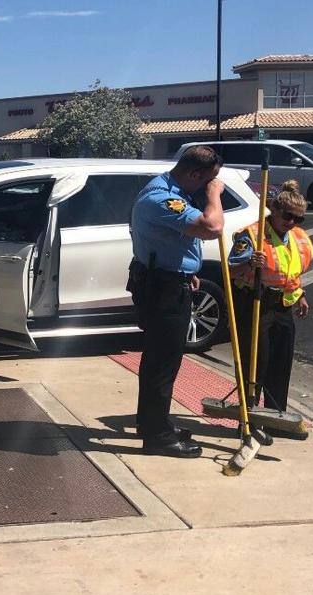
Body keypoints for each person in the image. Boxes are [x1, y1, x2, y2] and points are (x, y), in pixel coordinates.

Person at [126, 146, 225, 457]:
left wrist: (186, 269)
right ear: (195, 174)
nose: (210, 183)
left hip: (166, 279)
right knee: (163, 363)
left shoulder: (168, 191)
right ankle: (158, 437)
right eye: (208, 179)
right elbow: (212, 227)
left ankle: (151, 423)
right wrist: (214, 193)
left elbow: (172, 239)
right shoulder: (161, 197)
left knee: (158, 360)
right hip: (163, 288)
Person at [226, 179, 313, 418]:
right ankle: (249, 417)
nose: (292, 223)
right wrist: (249, 263)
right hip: (255, 303)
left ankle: (275, 416)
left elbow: (289, 271)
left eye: (298, 219)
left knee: (280, 363)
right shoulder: (252, 236)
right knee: (256, 363)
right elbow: (230, 271)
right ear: (273, 210)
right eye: (287, 216)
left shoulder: (297, 238)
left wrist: (300, 295)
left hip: (282, 305)